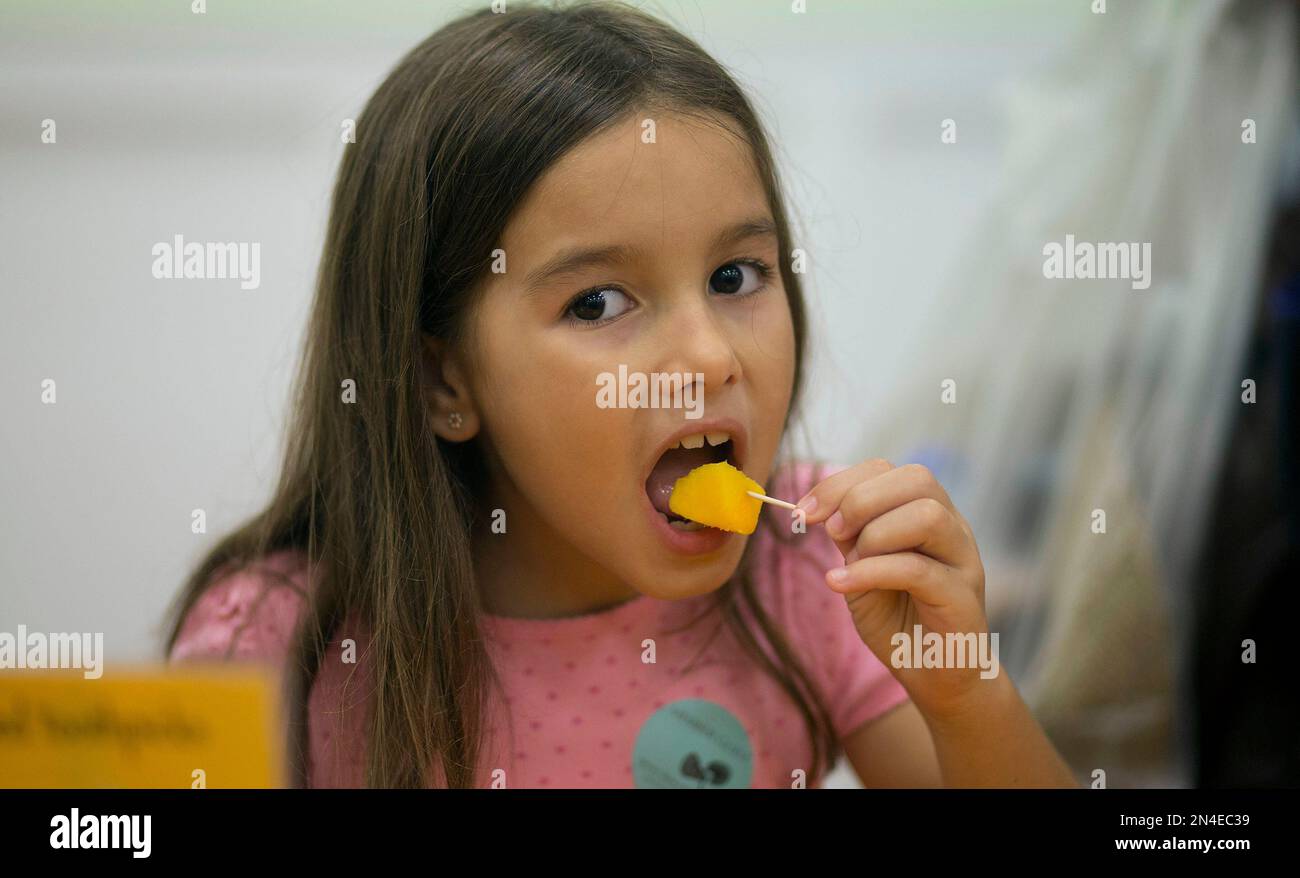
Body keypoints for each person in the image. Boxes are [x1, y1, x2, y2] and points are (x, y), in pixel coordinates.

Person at [164, 0, 1076, 789]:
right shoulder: (277, 640)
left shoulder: (810, 576)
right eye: (598, 302)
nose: (708, 354)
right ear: (444, 380)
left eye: (734, 276)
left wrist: (962, 686)